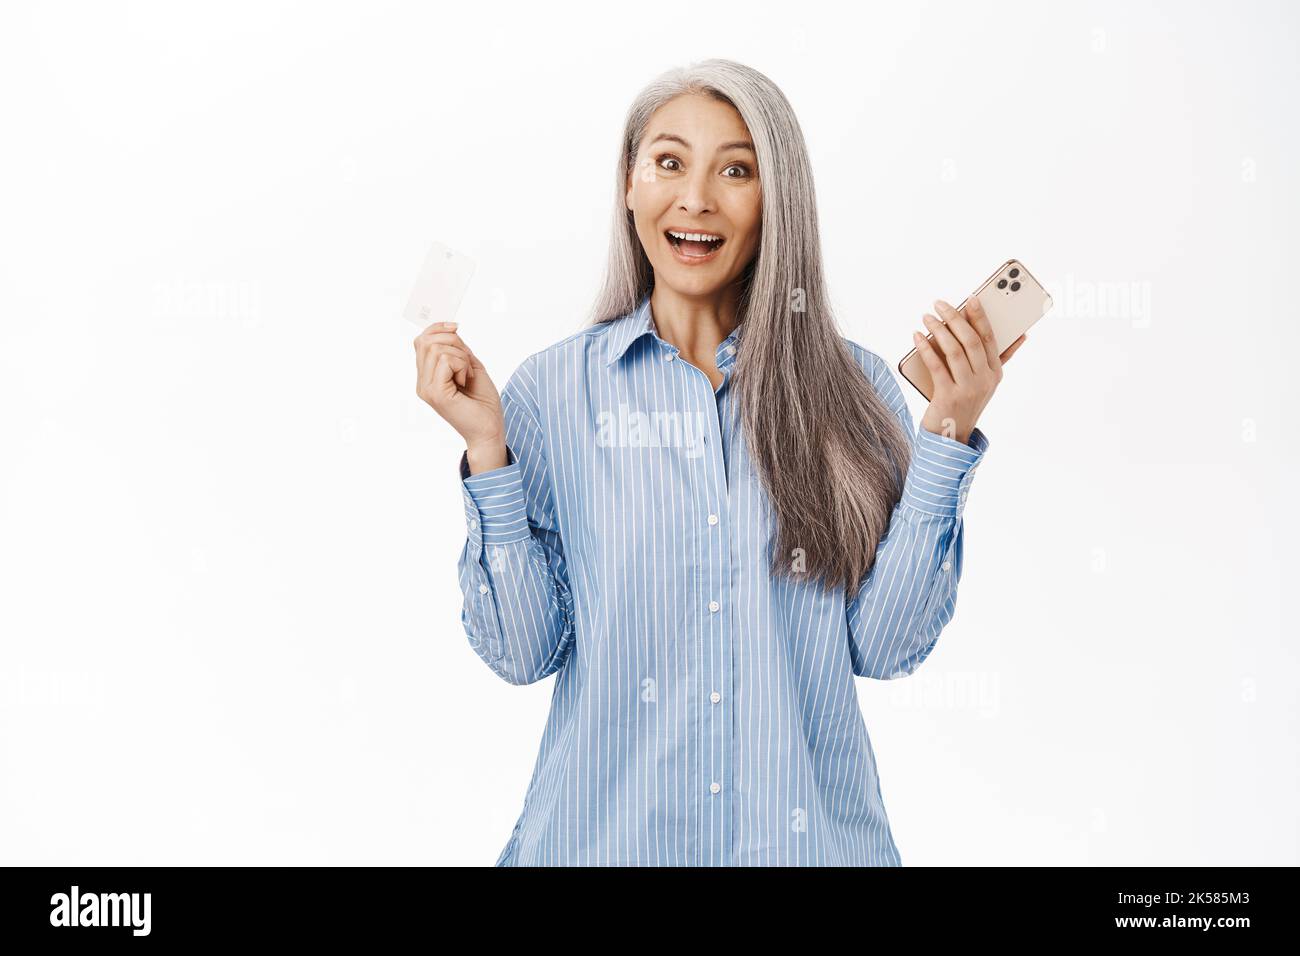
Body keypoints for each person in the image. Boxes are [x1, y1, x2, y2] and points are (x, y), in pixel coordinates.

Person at [413, 58, 1025, 866]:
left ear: (777, 202)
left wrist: (947, 434)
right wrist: (487, 452)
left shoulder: (853, 390)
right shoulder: (551, 394)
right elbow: (521, 651)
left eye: (735, 169)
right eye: (668, 162)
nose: (695, 197)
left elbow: (885, 645)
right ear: (629, 185)